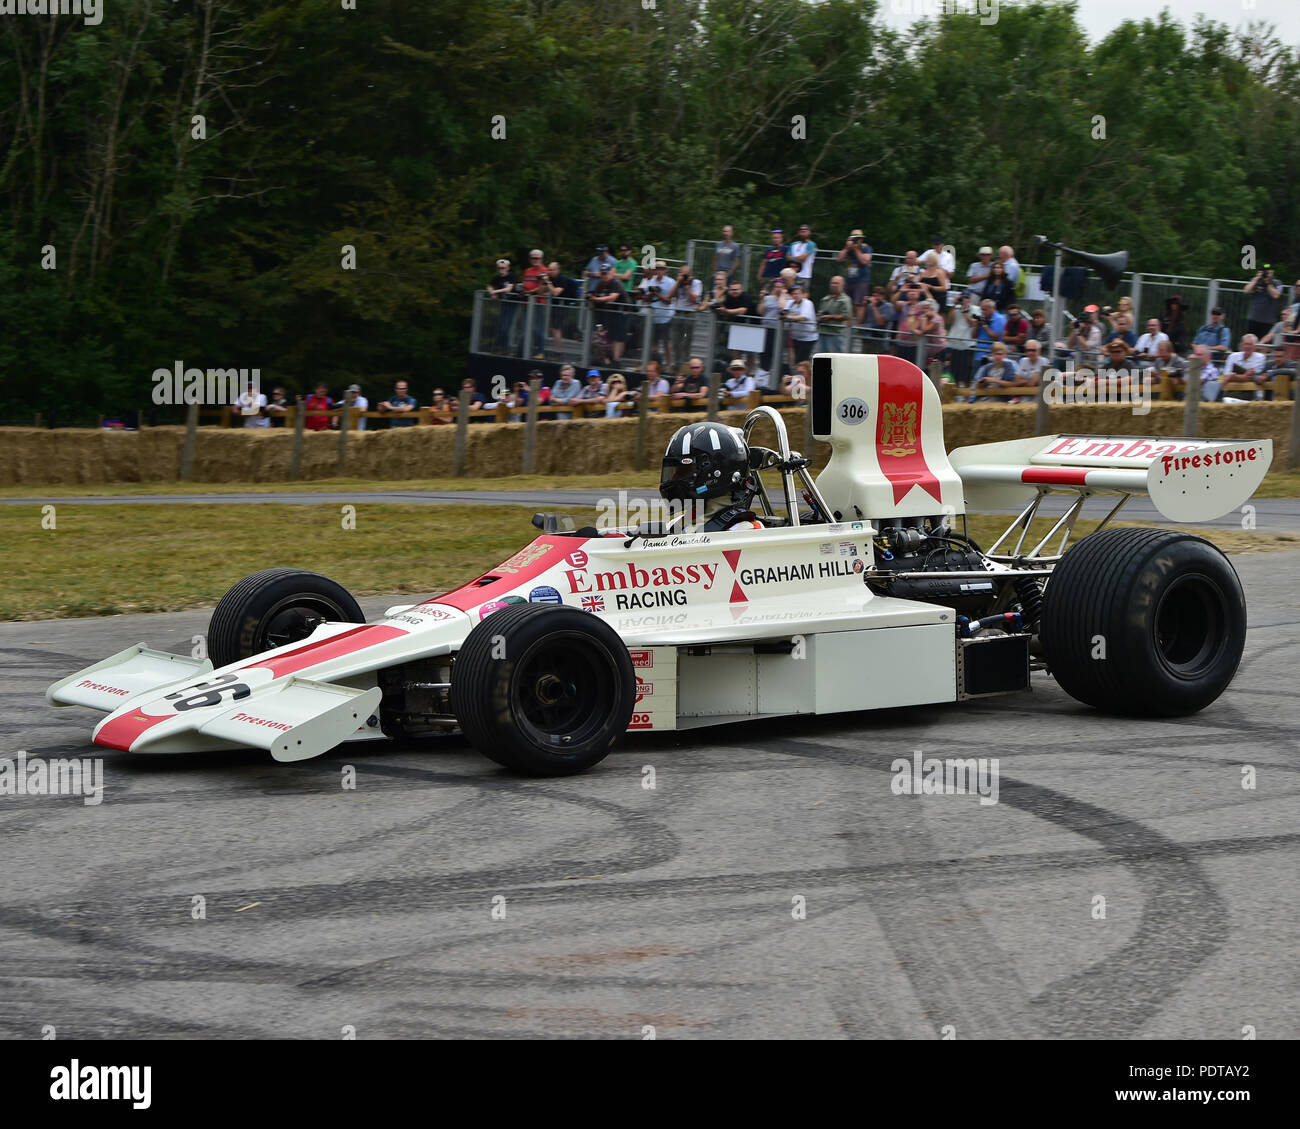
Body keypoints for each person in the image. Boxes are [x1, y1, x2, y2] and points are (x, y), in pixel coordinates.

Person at [660, 422, 763, 532]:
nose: (674, 477)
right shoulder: (678, 524)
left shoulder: (747, 531)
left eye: (683, 472)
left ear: (715, 475)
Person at [637, 260, 676, 366]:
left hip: (666, 317)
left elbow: (669, 301)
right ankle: (654, 365)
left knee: (666, 343)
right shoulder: (652, 281)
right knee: (654, 343)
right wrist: (649, 294)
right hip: (654, 317)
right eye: (657, 269)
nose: (659, 271)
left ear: (665, 270)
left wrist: (657, 294)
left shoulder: (670, 282)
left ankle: (669, 365)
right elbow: (647, 298)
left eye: (661, 269)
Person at [668, 265, 703, 372]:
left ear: (691, 274)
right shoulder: (678, 283)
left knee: (686, 342)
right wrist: (678, 282)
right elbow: (670, 295)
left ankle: (685, 366)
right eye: (681, 274)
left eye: (685, 275)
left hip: (689, 315)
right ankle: (677, 364)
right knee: (675, 342)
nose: (683, 276)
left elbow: (694, 299)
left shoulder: (696, 283)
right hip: (678, 314)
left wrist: (687, 286)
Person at [837, 229, 873, 328]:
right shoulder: (848, 248)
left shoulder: (866, 248)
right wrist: (846, 248)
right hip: (849, 279)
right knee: (847, 303)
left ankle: (858, 328)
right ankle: (848, 327)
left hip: (861, 280)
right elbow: (839, 259)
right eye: (854, 238)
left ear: (862, 239)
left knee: (859, 304)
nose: (857, 240)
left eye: (858, 238)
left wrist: (856, 249)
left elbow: (865, 261)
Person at [945, 292, 977, 387]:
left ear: (970, 299)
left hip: (967, 344)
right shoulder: (956, 308)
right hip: (955, 344)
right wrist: (954, 305)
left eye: (966, 297)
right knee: (954, 371)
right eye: (963, 297)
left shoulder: (975, 309)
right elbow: (949, 321)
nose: (964, 299)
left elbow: (973, 324)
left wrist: (965, 311)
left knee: (966, 372)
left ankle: (965, 393)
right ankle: (955, 390)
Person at [784, 282, 819, 365]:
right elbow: (783, 312)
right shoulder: (790, 303)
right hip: (796, 337)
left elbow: (804, 317)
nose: (795, 295)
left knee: (802, 361)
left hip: (807, 338)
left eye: (798, 293)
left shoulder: (807, 303)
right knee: (797, 361)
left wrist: (789, 317)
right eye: (794, 294)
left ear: (803, 294)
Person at [1244, 266, 1284, 340]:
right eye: (1264, 272)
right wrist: (1256, 280)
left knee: (1264, 344)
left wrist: (1267, 283)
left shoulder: (1277, 283)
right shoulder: (1256, 281)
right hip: (1253, 318)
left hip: (1268, 321)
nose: (1265, 274)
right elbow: (1246, 291)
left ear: (1272, 272)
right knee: (1250, 341)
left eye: (1267, 272)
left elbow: (1276, 295)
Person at [817, 275, 854, 354]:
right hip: (823, 331)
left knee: (837, 356)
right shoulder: (825, 299)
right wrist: (821, 314)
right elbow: (820, 313)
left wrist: (830, 317)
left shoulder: (845, 300)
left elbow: (846, 316)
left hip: (836, 333)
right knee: (822, 356)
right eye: (832, 283)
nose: (833, 285)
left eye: (836, 283)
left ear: (842, 285)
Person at [487, 258, 518, 349]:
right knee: (501, 326)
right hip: (504, 303)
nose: (501, 270)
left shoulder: (511, 276)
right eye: (499, 268)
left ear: (508, 268)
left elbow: (508, 289)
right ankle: (501, 346)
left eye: (503, 268)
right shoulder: (497, 277)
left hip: (513, 303)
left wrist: (495, 291)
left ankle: (504, 346)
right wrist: (492, 293)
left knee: (505, 326)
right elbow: (489, 285)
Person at [1223, 334, 1268, 398]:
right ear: (1241, 345)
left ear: (1255, 346)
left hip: (1251, 392)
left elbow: (1251, 377)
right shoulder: (1232, 356)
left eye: (1250, 344)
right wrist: (1243, 376)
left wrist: (1233, 376)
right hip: (1232, 390)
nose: (1247, 346)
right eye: (1245, 344)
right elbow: (1226, 376)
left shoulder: (1260, 357)